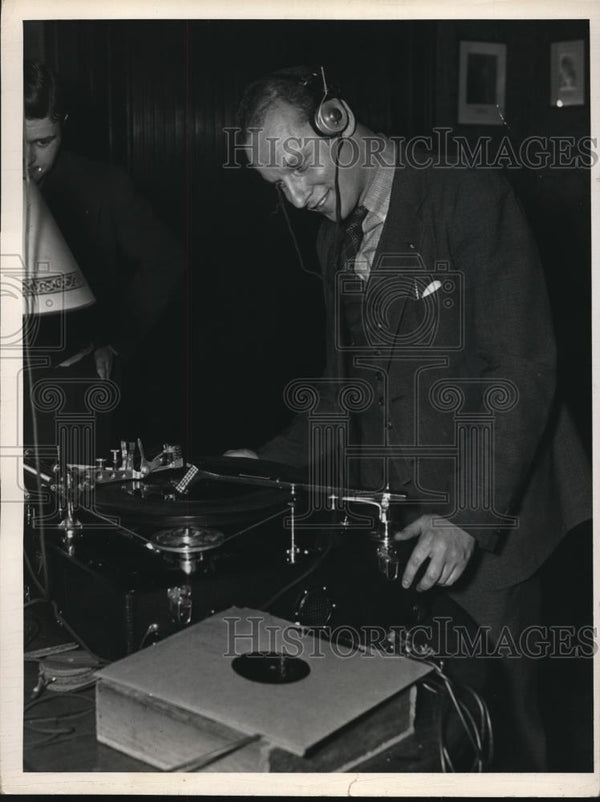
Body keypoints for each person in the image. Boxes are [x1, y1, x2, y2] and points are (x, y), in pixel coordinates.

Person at [227, 66, 592, 770]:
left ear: (337, 119)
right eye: (278, 186)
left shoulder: (466, 192)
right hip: (401, 525)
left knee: (510, 733)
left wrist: (470, 519)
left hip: (492, 524)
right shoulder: (339, 238)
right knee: (423, 733)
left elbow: (520, 369)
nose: (298, 197)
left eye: (298, 166)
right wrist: (264, 461)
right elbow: (348, 394)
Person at [23, 60, 185, 455]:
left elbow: (166, 260)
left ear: (64, 126)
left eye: (43, 142)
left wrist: (118, 342)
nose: (27, 161)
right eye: (13, 143)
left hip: (71, 385)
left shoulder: (103, 186)